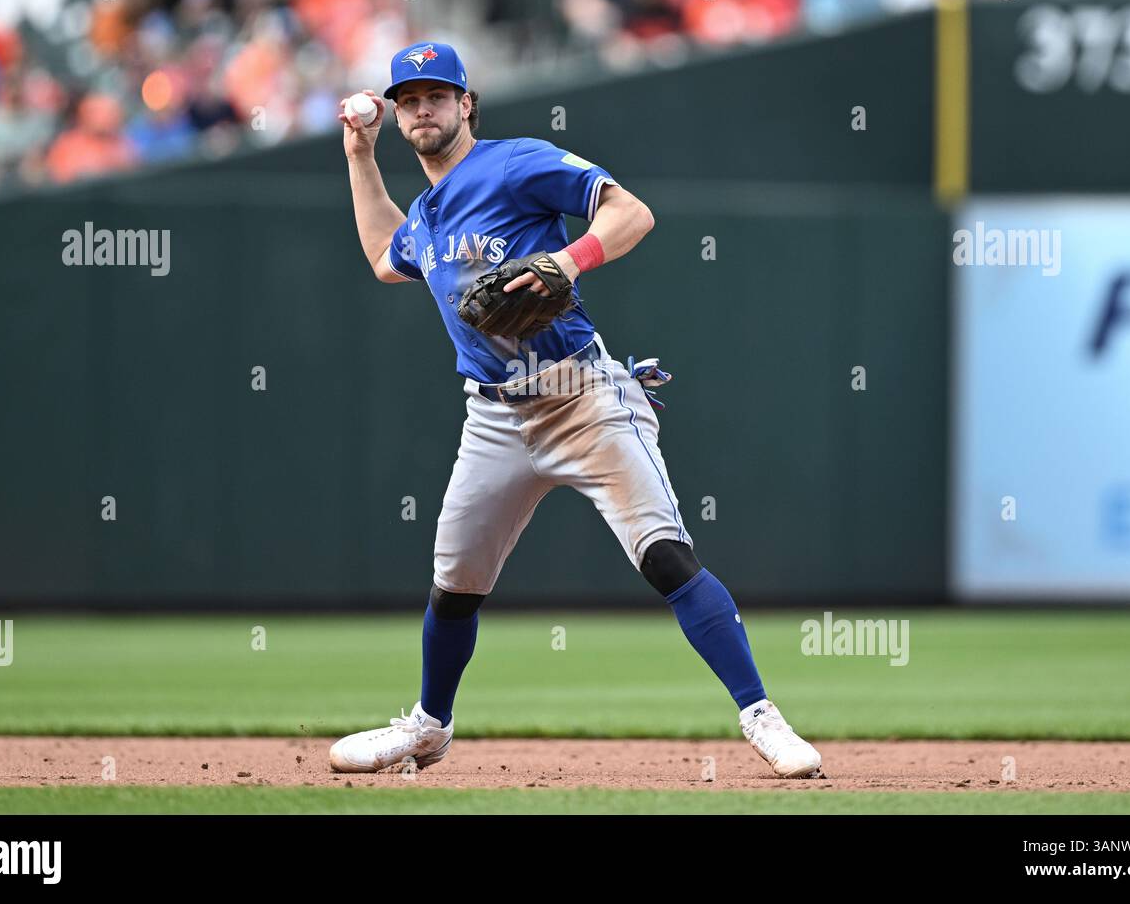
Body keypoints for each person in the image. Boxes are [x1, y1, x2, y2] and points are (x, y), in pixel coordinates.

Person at [330, 41, 821, 779]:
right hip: (494, 415)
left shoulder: (515, 162)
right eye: (408, 101)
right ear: (398, 117)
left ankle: (762, 716)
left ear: (466, 104)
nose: (421, 109)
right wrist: (358, 153)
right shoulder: (427, 214)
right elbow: (381, 257)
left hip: (582, 395)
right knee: (454, 585)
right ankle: (430, 726)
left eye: (436, 96)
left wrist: (566, 260)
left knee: (664, 555)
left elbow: (633, 214)